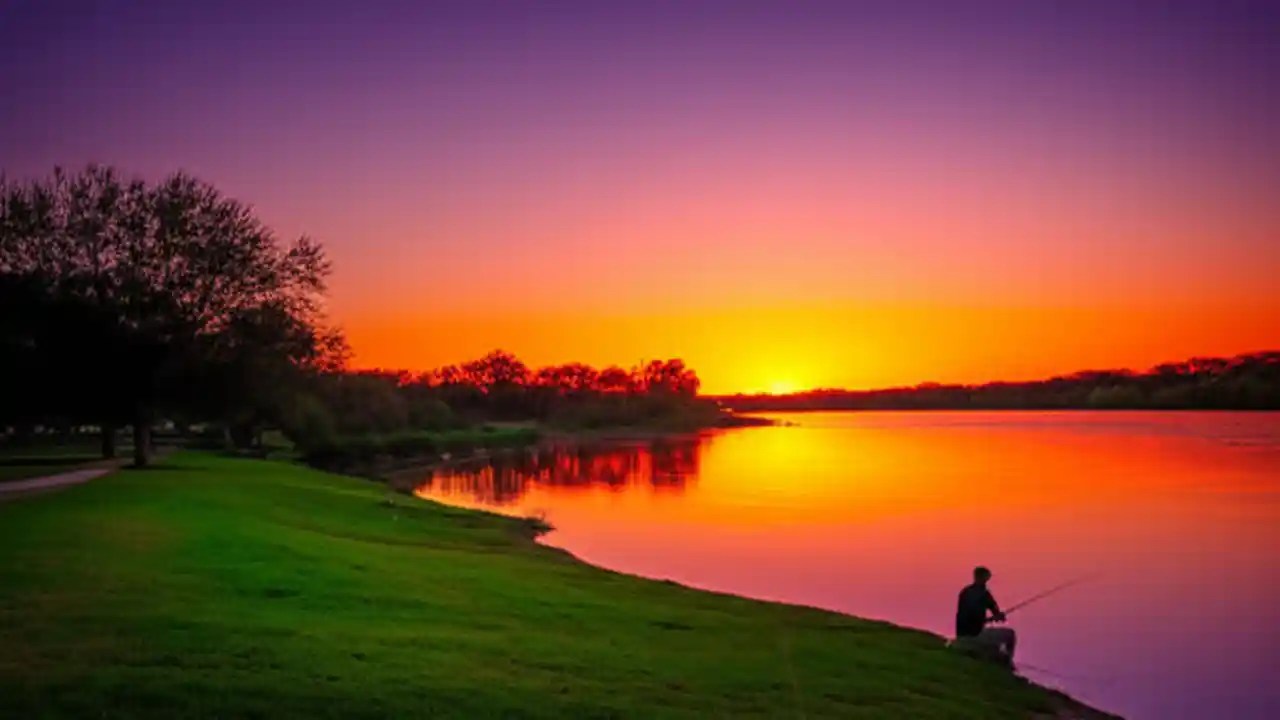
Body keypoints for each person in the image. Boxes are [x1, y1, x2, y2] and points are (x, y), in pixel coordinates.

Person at [955, 566, 1016, 663]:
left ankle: (999, 659)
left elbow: (991, 612)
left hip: (962, 634)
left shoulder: (965, 592)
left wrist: (995, 616)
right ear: (984, 577)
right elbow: (990, 614)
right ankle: (1010, 662)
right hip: (975, 635)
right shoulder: (984, 594)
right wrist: (995, 617)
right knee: (1010, 634)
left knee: (995, 649)